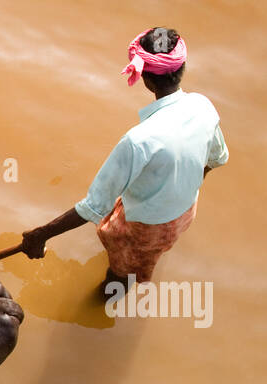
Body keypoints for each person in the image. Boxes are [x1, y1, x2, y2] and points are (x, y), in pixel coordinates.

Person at [21, 27, 229, 295]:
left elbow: (93, 207)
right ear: (182, 67)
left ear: (146, 79)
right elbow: (216, 158)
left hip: (147, 229)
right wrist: (178, 185)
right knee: (144, 245)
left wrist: (40, 236)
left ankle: (100, 305)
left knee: (121, 277)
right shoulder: (204, 106)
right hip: (185, 212)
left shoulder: (138, 141)